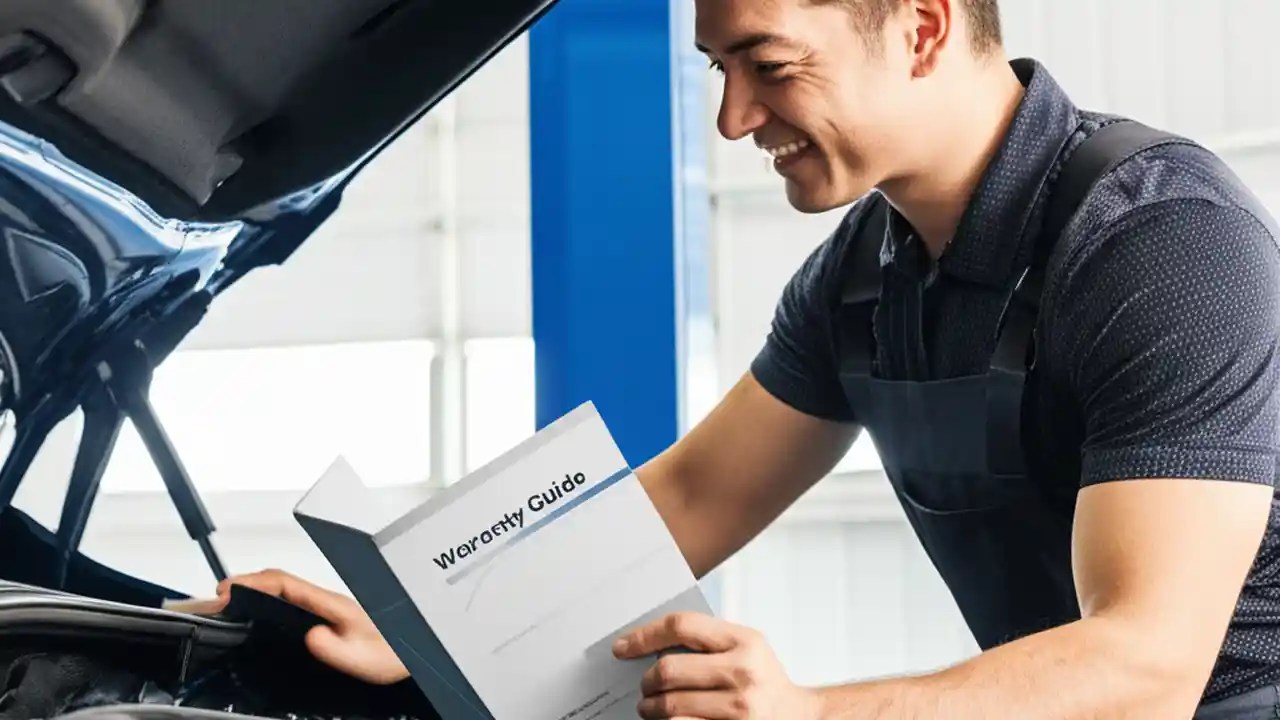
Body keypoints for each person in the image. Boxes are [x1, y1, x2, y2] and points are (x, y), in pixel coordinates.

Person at [210, 0, 1280, 717]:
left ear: (918, 26)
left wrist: (807, 715)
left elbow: (1145, 663)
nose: (730, 120)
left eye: (766, 66)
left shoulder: (1158, 243)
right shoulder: (864, 275)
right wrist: (419, 626)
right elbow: (691, 493)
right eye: (719, 70)